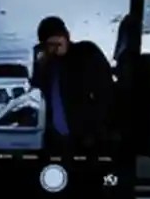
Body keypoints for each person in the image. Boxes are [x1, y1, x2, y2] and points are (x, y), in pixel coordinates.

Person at [30, 15, 115, 148]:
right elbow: (37, 91)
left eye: (59, 43)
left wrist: (96, 130)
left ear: (67, 36)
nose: (56, 48)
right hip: (56, 138)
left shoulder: (86, 52)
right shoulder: (48, 65)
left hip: (87, 137)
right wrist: (38, 63)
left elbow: (106, 91)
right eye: (51, 45)